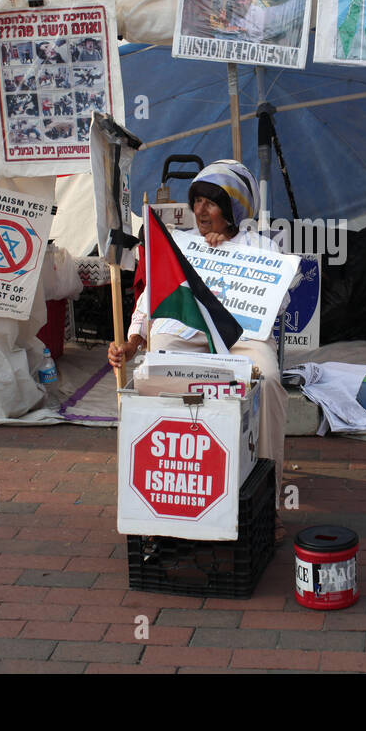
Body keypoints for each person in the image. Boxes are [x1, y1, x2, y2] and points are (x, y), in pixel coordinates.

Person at [107, 160, 289, 540]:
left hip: (242, 338)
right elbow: (150, 299)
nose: (201, 211)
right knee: (154, 374)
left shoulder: (261, 245)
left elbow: (280, 302)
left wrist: (234, 261)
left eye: (212, 202)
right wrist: (133, 340)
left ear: (234, 208)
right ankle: (165, 491)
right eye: (198, 201)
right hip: (184, 332)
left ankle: (268, 493)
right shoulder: (181, 243)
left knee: (269, 380)